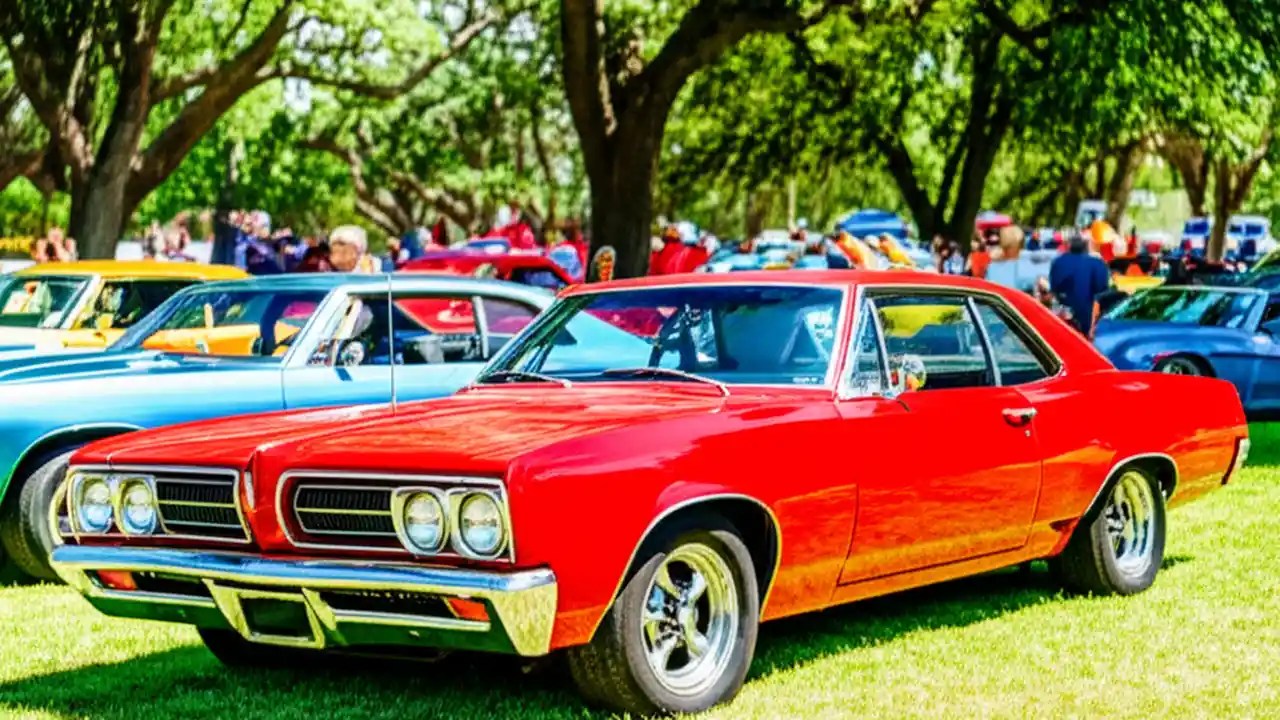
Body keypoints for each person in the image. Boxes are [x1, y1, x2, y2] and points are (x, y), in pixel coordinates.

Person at [1049, 233, 1110, 337]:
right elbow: (1102, 287)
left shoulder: (1058, 262)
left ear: (1070, 246)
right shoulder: (1097, 263)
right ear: (1085, 247)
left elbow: (1054, 286)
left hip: (1065, 309)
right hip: (1088, 310)